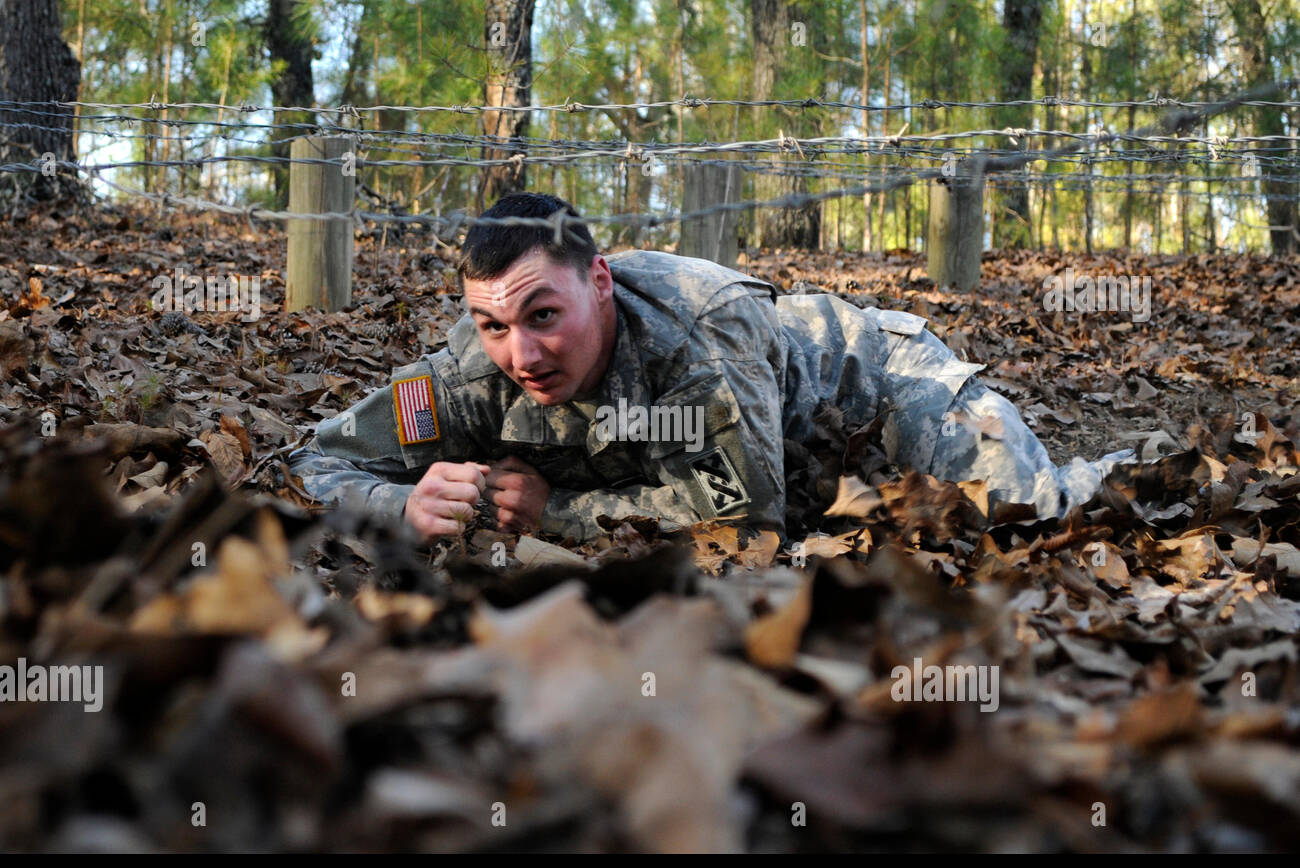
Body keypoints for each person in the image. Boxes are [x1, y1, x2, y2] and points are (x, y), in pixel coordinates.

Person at [286, 192, 1131, 543]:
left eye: (545, 316)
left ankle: (1134, 462)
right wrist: (402, 502)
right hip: (796, 478)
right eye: (494, 325)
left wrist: (559, 512)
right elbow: (308, 461)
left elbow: (747, 519)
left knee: (1036, 515)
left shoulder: (701, 332)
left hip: (871, 388)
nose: (523, 354)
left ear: (601, 283)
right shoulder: (468, 373)